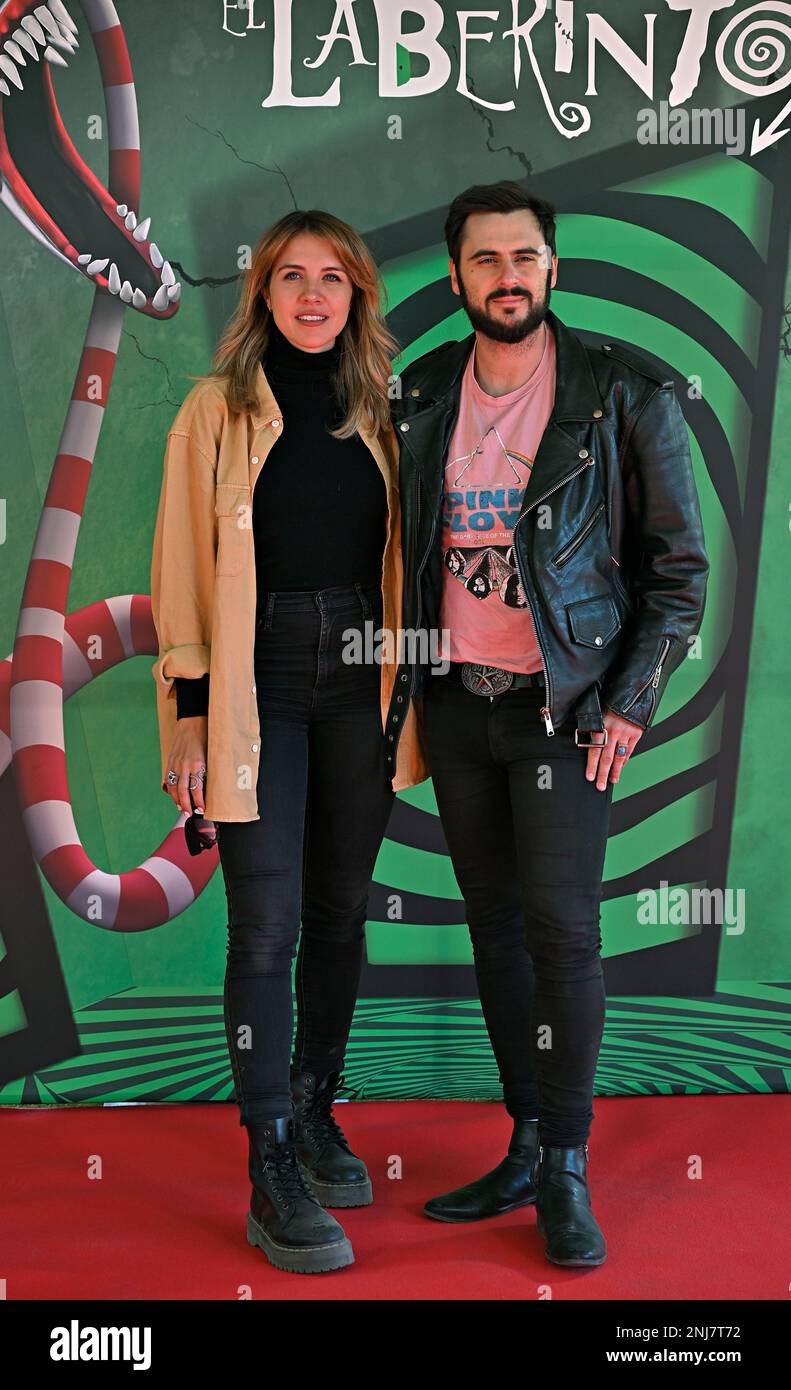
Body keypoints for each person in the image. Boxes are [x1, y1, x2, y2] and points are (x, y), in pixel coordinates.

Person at [384, 181, 709, 1267]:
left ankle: (566, 1165)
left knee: (562, 931)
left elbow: (678, 575)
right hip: (456, 704)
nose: (507, 276)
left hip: (561, 713)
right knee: (493, 927)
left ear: (551, 267)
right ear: (457, 276)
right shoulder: (422, 393)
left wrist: (627, 701)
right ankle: (523, 1141)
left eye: (524, 256)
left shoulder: (623, 394)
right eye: (484, 259)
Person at [150, 209, 428, 1274]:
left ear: (358, 296)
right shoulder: (209, 413)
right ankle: (267, 1162)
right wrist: (185, 709)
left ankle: (315, 1108)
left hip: (362, 672)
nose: (312, 297)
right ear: (260, 295)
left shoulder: (386, 413)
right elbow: (181, 566)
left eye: (333, 280)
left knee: (337, 913)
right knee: (263, 925)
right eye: (290, 278)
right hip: (251, 680)